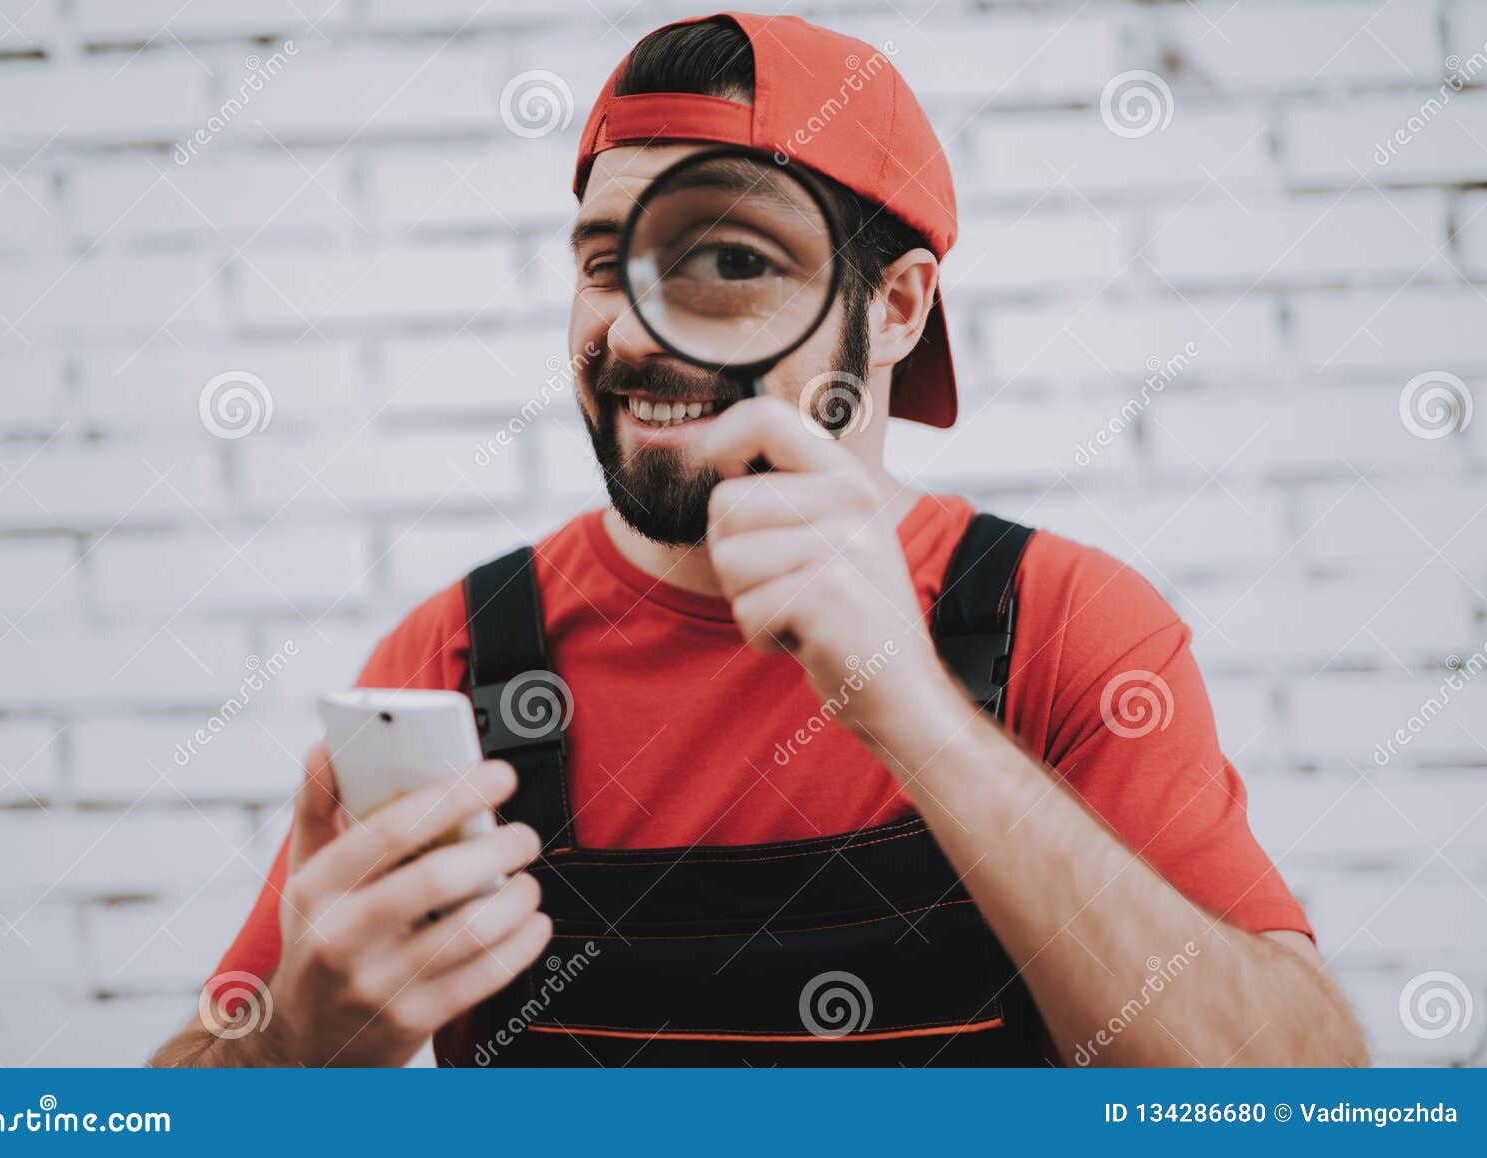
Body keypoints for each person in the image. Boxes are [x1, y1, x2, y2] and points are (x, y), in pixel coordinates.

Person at [150, 11, 1365, 1068]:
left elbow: (1313, 1104)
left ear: (893, 310)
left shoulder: (1061, 626)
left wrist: (919, 713)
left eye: (726, 261)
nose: (633, 329)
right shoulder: (457, 658)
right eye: (601, 260)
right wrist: (295, 1048)